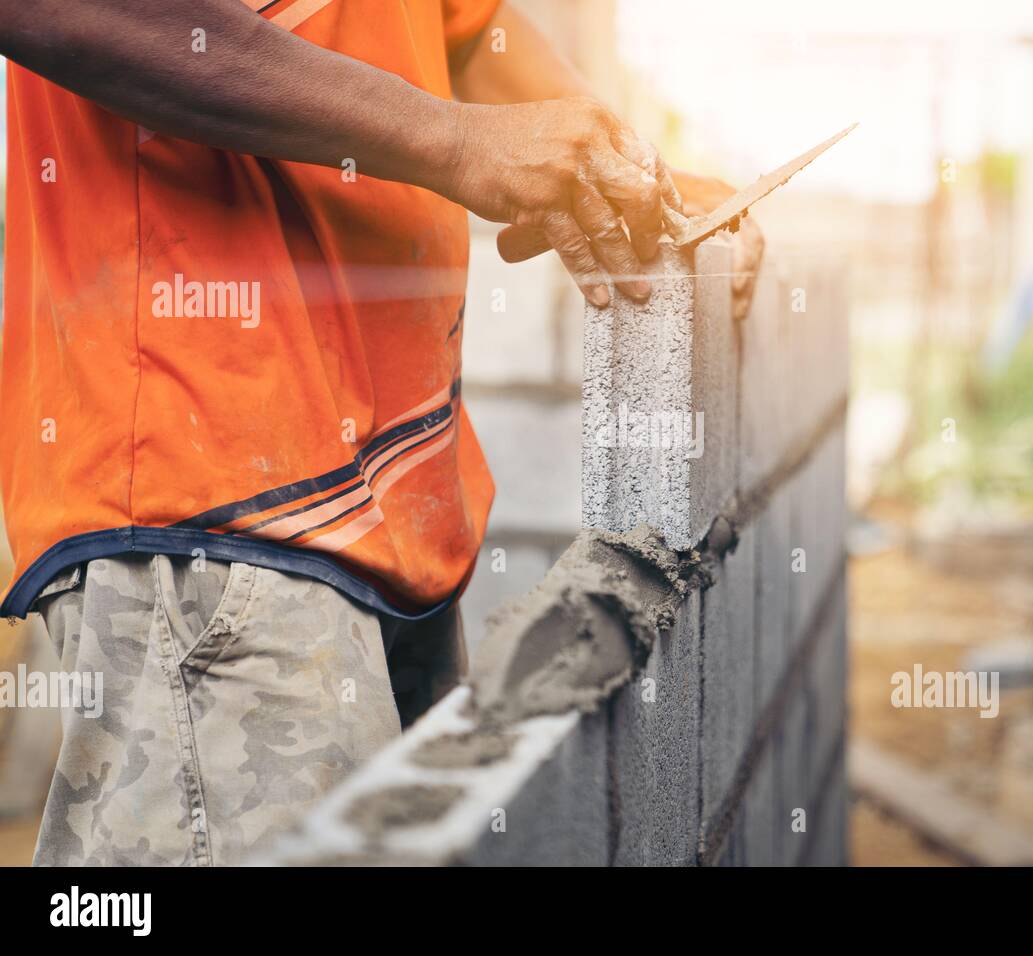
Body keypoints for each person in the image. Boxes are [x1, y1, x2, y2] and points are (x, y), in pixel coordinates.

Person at [0, 0, 763, 865]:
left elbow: (465, 27)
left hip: (387, 495)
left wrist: (627, 171)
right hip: (212, 501)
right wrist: (457, 141)